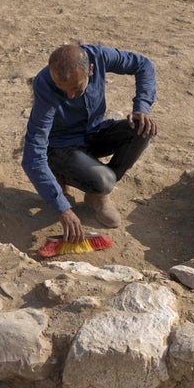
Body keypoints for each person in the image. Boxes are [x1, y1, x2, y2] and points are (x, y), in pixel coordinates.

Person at [22, 44, 157, 242]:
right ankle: (63, 176)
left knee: (143, 129)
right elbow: (33, 155)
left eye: (76, 88)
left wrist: (142, 107)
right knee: (104, 179)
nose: (69, 96)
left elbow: (144, 65)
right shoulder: (45, 85)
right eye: (63, 90)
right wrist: (62, 208)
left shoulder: (98, 56)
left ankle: (96, 195)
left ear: (91, 70)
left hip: (93, 132)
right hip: (61, 146)